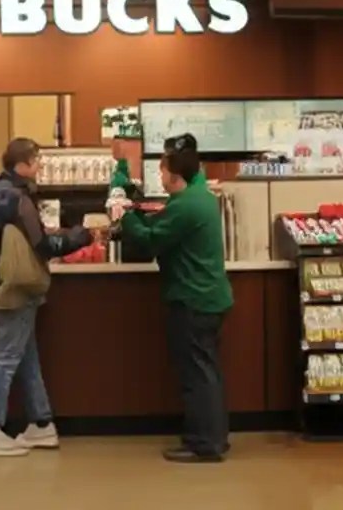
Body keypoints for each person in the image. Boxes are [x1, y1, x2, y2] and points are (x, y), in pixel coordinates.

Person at [0, 138, 91, 457]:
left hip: (2, 283)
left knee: (25, 356)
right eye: (36, 160)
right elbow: (43, 245)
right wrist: (81, 235)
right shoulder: (17, 198)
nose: (39, 166)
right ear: (20, 165)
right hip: (14, 287)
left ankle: (41, 423)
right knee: (7, 357)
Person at [118, 134, 232, 463]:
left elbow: (149, 240)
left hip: (193, 299)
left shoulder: (186, 205)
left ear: (174, 175)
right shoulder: (199, 195)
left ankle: (204, 444)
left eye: (162, 172)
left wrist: (123, 211)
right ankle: (214, 437)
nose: (160, 178)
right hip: (208, 297)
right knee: (207, 372)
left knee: (197, 376)